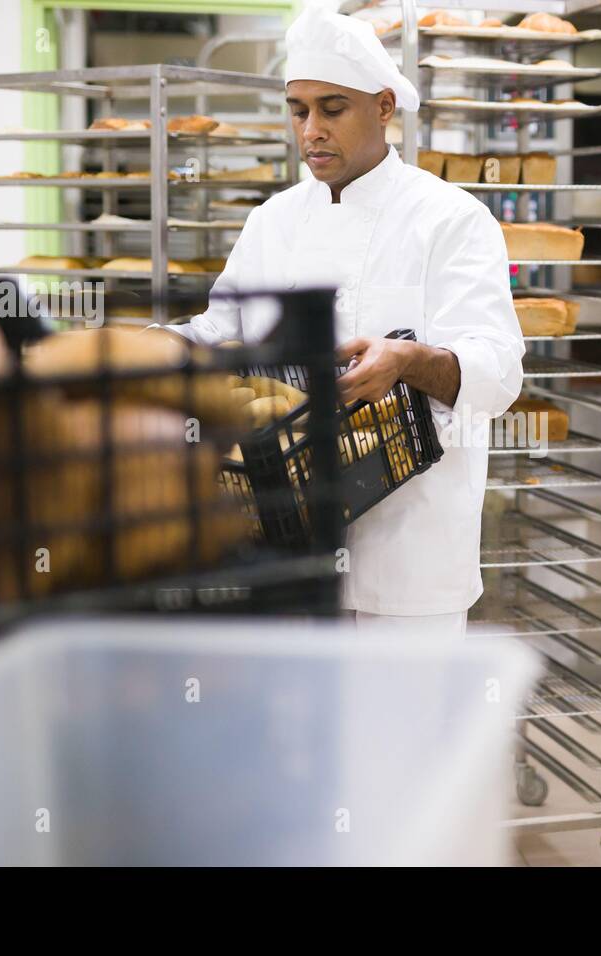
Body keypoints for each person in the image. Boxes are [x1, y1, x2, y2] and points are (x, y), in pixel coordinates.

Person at [161, 4, 524, 639]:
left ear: (383, 107)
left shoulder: (451, 219)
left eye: (333, 108)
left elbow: (498, 373)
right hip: (284, 544)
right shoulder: (272, 220)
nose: (311, 131)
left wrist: (409, 360)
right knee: (303, 734)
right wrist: (133, 350)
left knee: (404, 737)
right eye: (298, 110)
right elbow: (222, 330)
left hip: (409, 553)